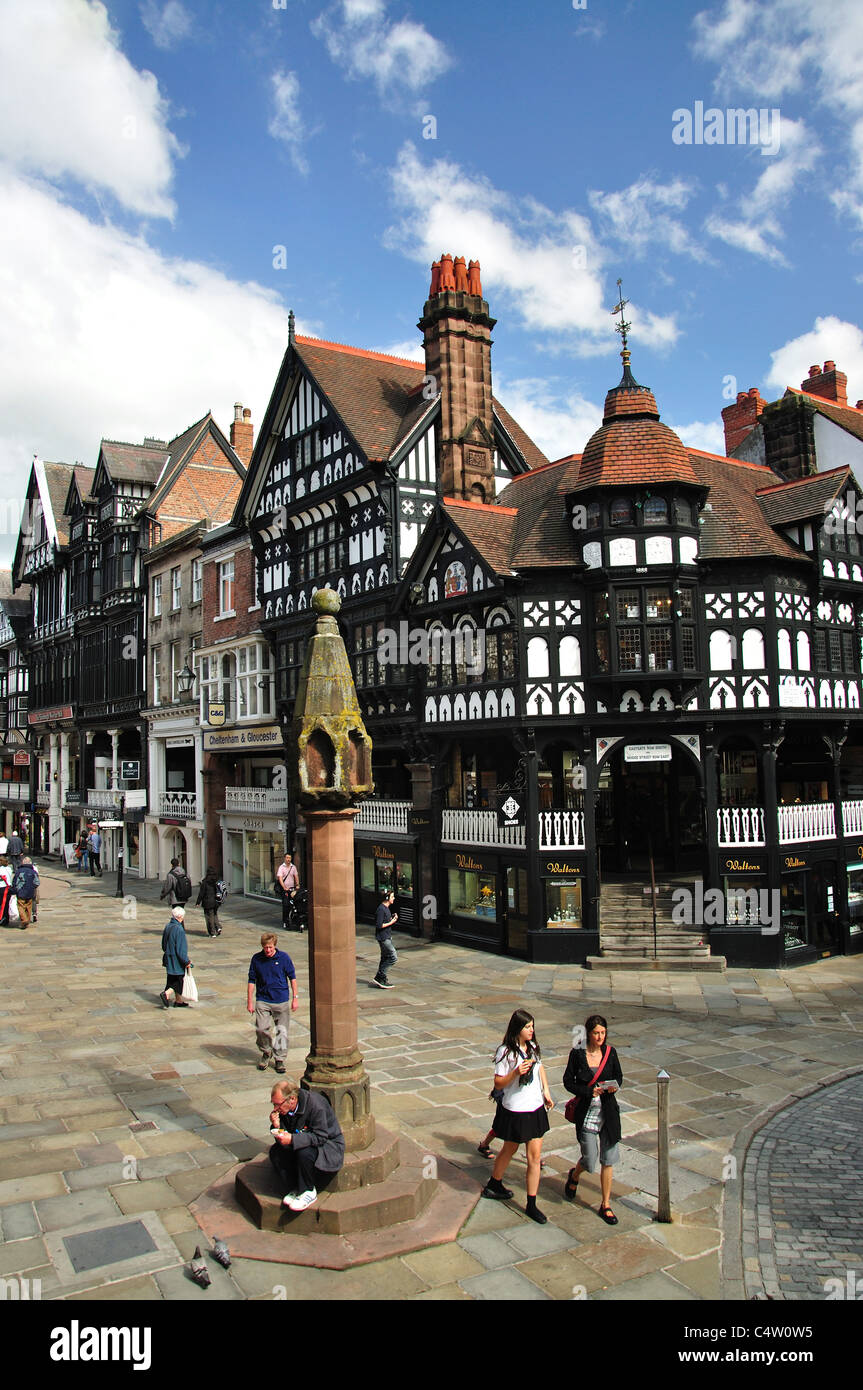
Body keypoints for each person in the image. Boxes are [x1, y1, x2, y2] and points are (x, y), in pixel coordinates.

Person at [481, 1009, 554, 1223]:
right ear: (517, 1029)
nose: (531, 1031)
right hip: (516, 1109)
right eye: (527, 1027)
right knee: (509, 1148)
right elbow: (498, 1082)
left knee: (535, 1157)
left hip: (535, 1107)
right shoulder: (506, 1052)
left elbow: (540, 1068)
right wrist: (516, 1072)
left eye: (532, 1027)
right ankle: (494, 1184)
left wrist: (546, 1091)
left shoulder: (532, 1047)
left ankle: (531, 1203)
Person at [563, 1014, 624, 1225]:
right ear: (588, 1033)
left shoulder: (611, 1053)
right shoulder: (577, 1054)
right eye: (596, 1033)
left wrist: (612, 1086)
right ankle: (575, 1174)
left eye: (603, 1033)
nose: (600, 1037)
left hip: (608, 1114)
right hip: (587, 1113)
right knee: (590, 1161)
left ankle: (605, 1204)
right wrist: (589, 1091)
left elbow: (619, 1077)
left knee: (608, 1160)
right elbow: (568, 1082)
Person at [268, 1077, 345, 1212]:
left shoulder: (316, 1105)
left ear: (292, 1099)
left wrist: (292, 1139)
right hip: (305, 1140)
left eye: (278, 1104)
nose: (276, 1109)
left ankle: (308, 1190)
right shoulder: (285, 1110)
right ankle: (296, 1187)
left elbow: (320, 1137)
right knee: (276, 1152)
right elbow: (287, 1137)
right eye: (273, 1104)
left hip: (327, 1146)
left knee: (303, 1152)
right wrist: (278, 1126)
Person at [247, 932, 298, 1074]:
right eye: (265, 948)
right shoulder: (257, 959)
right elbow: (251, 980)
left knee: (281, 1030)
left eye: (270, 947)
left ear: (274, 945)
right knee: (261, 1028)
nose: (268, 950)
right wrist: (249, 1001)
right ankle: (266, 1051)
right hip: (263, 999)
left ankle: (280, 1058)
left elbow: (292, 978)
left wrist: (295, 997)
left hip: (280, 999)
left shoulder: (284, 958)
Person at [160, 906, 193, 1008]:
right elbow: (180, 950)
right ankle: (167, 993)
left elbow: (163, 944)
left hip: (169, 958)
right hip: (176, 960)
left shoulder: (168, 926)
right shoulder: (179, 930)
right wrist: (186, 961)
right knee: (178, 981)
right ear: (180, 917)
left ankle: (178, 1001)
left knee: (171, 979)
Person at [372, 889, 398, 989]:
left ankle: (381, 979)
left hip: (386, 936)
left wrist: (391, 918)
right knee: (393, 957)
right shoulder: (381, 909)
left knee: (385, 958)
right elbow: (379, 925)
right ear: (387, 898)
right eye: (392, 897)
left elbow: (384, 921)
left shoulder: (386, 908)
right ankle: (380, 976)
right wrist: (391, 922)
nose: (394, 898)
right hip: (383, 938)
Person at [275, 851, 300, 930]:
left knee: (295, 904)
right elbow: (280, 878)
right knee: (286, 905)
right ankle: (285, 921)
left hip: (292, 889)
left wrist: (297, 885)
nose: (288, 859)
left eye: (289, 858)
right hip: (285, 890)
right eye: (287, 858)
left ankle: (295, 920)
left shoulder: (293, 867)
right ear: (284, 858)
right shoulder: (281, 867)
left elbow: (296, 877)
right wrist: (284, 887)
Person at [13, 856, 39, 929]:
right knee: (28, 907)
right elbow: (37, 882)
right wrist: (32, 887)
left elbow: (15, 882)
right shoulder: (34, 872)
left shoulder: (19, 871)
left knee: (21, 906)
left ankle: (24, 920)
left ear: (22, 863)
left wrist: (16, 889)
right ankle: (26, 921)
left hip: (21, 892)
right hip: (31, 892)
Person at [195, 866, 222, 937]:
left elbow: (201, 893)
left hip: (207, 901)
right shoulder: (217, 880)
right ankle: (218, 927)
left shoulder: (205, 882)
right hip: (216, 901)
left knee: (209, 917)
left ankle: (212, 932)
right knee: (215, 914)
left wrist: (198, 902)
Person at [0, 855, 13, 925]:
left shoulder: (1, 869)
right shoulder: (9, 869)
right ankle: (6, 919)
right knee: (6, 904)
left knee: (1, 905)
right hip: (8, 888)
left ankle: (2, 919)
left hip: (2, 888)